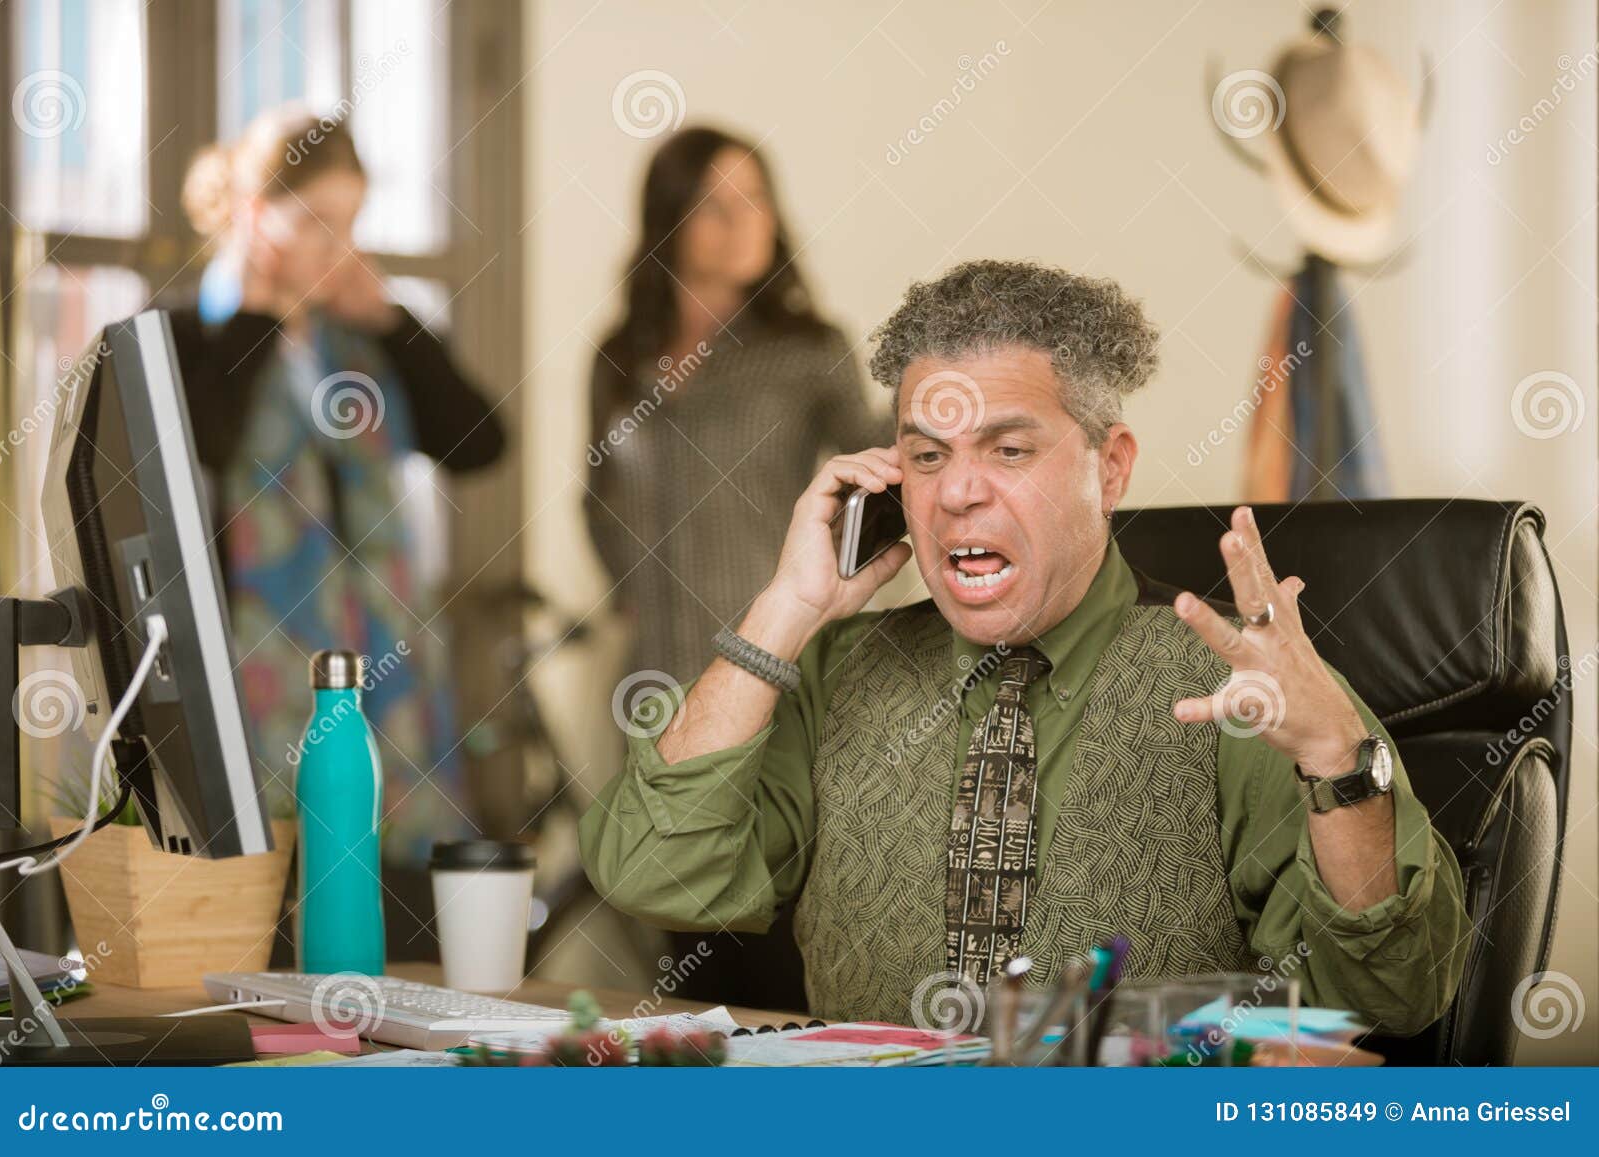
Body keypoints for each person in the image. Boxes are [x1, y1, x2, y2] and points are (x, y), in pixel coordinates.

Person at [580, 259, 1468, 1035]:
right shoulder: (830, 669)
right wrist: (785, 607)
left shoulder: (1244, 689)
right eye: (925, 458)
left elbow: (1394, 994)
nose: (957, 491)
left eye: (1007, 449)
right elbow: (659, 873)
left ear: (1109, 468)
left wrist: (1337, 762)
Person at [169, 107, 505, 871]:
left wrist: (391, 322)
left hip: (385, 667)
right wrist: (259, 317)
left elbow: (479, 444)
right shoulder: (189, 336)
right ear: (255, 215)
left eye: (351, 222)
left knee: (397, 891)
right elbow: (206, 444)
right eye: (316, 220)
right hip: (250, 677)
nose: (338, 247)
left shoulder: (360, 344)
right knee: (275, 882)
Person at [585, 125, 884, 685]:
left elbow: (877, 461)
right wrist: (625, 591)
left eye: (755, 197)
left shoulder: (808, 349)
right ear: (669, 221)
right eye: (713, 205)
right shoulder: (619, 358)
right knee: (661, 776)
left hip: (774, 662)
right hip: (653, 675)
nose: (742, 219)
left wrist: (935, 389)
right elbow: (598, 495)